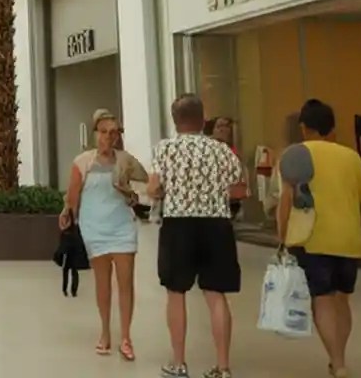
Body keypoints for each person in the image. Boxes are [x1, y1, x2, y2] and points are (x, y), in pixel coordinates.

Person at [147, 94, 243, 378]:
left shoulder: (164, 149)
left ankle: (178, 363)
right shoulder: (222, 150)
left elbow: (153, 189)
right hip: (217, 224)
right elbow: (239, 190)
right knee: (216, 295)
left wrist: (166, 191)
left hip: (179, 225)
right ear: (203, 120)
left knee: (176, 293)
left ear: (175, 120)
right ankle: (223, 367)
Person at [278, 100, 361, 378]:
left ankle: (338, 361)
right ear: (332, 128)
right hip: (349, 239)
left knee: (323, 299)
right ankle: (339, 361)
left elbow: (286, 200)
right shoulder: (351, 157)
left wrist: (282, 237)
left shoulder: (295, 154)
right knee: (342, 300)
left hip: (312, 238)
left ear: (304, 127)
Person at [61, 110, 147, 361]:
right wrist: (67, 214)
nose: (109, 137)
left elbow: (146, 189)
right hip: (94, 228)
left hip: (122, 227)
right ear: (95, 134)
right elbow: (73, 196)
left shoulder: (126, 161)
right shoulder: (82, 162)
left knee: (126, 283)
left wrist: (131, 195)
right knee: (102, 283)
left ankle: (126, 338)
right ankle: (105, 332)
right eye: (104, 132)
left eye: (115, 132)